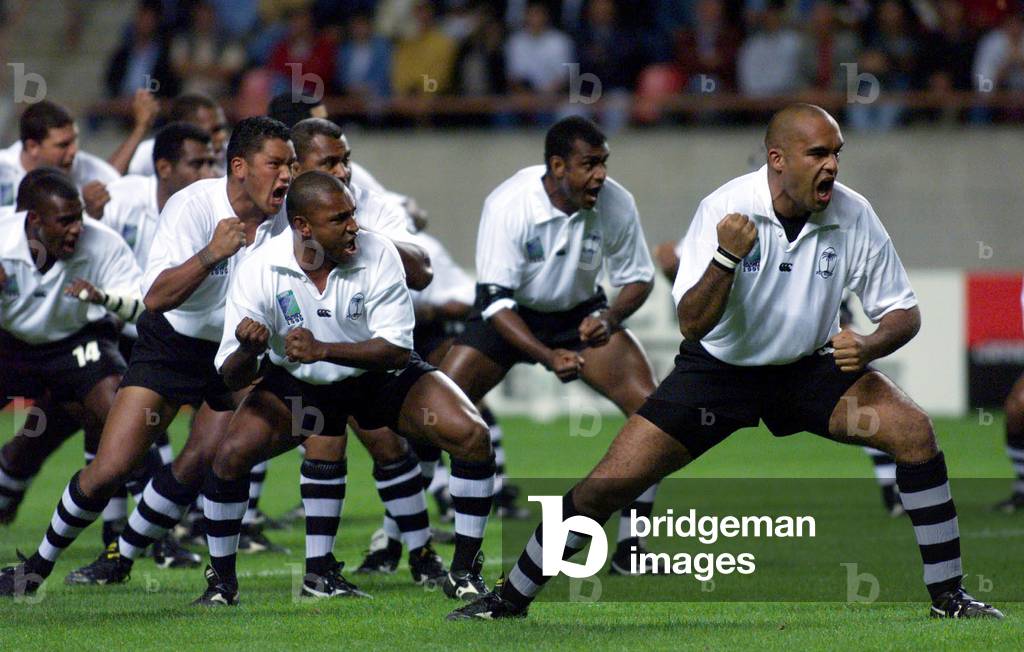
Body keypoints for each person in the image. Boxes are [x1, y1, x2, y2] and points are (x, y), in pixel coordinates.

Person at [449, 104, 1004, 621]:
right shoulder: (724, 210)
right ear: (777, 160)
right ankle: (510, 598)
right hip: (718, 375)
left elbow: (904, 311)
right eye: (819, 154)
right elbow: (692, 323)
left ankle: (949, 596)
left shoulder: (854, 214)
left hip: (810, 370)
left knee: (914, 432)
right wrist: (724, 257)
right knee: (604, 488)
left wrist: (871, 344)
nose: (832, 165)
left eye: (837, 153)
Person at [0, 117, 294, 597]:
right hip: (171, 346)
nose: (286, 175)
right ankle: (36, 567)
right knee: (111, 468)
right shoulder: (193, 206)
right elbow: (156, 297)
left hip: (235, 352)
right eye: (275, 164)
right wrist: (210, 254)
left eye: (291, 165)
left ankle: (204, 579)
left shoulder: (286, 220)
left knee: (215, 458)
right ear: (239, 167)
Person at [194, 171, 494, 605]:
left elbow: (395, 350)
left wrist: (322, 349)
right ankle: (222, 584)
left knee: (472, 436)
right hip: (301, 386)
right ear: (303, 227)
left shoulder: (378, 253)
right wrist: (247, 349)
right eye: (340, 219)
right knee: (229, 455)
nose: (354, 226)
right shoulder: (260, 266)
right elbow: (231, 375)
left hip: (377, 379)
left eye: (352, 214)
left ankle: (463, 572)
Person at [439, 116, 662, 573]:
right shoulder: (509, 204)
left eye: (603, 163)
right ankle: (414, 540)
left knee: (654, 414)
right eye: (589, 164)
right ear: (557, 166)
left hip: (581, 316)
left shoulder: (614, 201)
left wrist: (610, 317)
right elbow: (495, 302)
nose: (601, 174)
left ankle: (632, 549)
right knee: (432, 408)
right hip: (511, 318)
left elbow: (638, 277)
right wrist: (546, 355)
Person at [0, 169, 144, 577]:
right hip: (9, 343)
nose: (78, 229)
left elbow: (142, 307)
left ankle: (136, 536)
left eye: (79, 217)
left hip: (74, 342)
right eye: (65, 220)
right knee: (37, 439)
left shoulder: (103, 243)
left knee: (120, 415)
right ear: (34, 220)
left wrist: (104, 298)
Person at [0, 101, 121, 218]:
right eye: (63, 145)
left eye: (75, 140)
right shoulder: (3, 168)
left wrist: (93, 216)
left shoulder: (97, 174)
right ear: (32, 147)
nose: (74, 151)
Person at [117, 92, 229, 177]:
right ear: (182, 130)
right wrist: (140, 128)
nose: (222, 136)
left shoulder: (234, 154)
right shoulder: (152, 151)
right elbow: (110, 180)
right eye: (214, 130)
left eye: (222, 128)